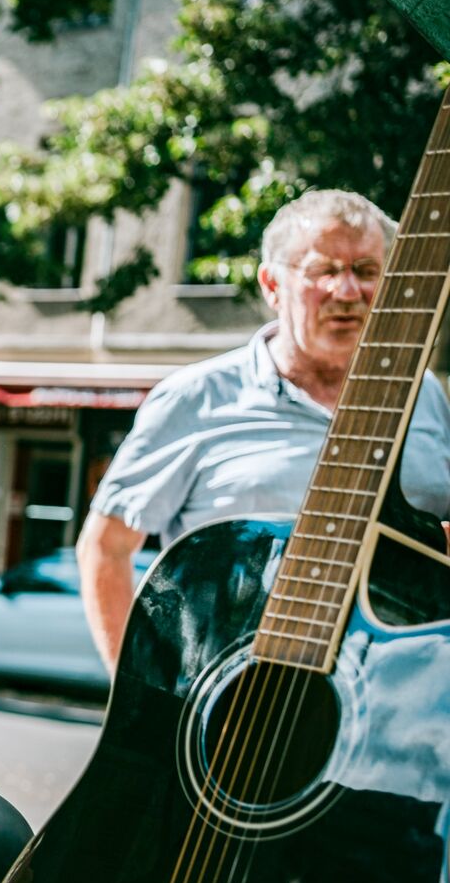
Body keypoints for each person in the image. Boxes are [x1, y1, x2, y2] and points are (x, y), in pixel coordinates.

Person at [77, 188, 450, 665]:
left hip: (398, 705)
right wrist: (141, 704)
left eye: (366, 271)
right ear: (272, 285)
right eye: (324, 271)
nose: (348, 291)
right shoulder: (195, 398)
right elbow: (106, 548)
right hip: (246, 712)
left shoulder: (424, 396)